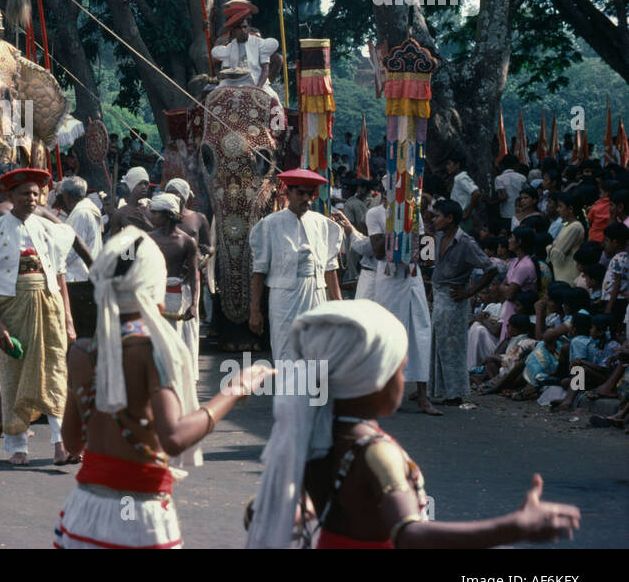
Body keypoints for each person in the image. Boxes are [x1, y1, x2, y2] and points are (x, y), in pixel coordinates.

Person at [246, 300, 581, 548]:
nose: (404, 381)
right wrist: (514, 527)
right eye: (400, 370)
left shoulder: (316, 431)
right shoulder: (376, 452)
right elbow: (410, 535)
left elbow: (268, 507)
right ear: (372, 379)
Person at [57, 229, 274, 548]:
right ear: (154, 288)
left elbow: (72, 441)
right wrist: (235, 390)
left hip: (83, 512)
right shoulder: (150, 350)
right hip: (137, 518)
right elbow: (173, 438)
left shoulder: (82, 352)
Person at [0, 167, 74, 465]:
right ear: (10, 196)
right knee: (13, 372)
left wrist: (68, 318)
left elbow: (60, 276)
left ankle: (60, 444)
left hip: (48, 305)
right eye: (25, 193)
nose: (32, 198)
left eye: (36, 193)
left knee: (54, 371)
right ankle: (17, 446)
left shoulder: (49, 229)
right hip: (11, 308)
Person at [248, 168, 342, 361]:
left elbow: (330, 268)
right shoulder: (271, 224)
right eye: (300, 193)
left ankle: (313, 391)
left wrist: (338, 304)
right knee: (286, 350)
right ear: (287, 192)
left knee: (316, 350)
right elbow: (259, 270)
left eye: (310, 194)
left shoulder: (323, 224)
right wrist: (255, 310)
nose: (306, 199)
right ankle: (289, 391)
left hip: (315, 295)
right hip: (284, 298)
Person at [366, 184, 438, 416]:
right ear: (386, 193)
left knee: (421, 332)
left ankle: (423, 397)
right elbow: (378, 252)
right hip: (388, 281)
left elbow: (427, 255)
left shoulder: (413, 211)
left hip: (412, 278)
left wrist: (418, 231)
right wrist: (394, 226)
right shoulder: (374, 213)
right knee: (388, 336)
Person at [428, 199, 497, 407]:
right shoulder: (439, 238)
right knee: (437, 345)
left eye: (437, 216)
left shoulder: (466, 242)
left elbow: (490, 269)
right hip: (439, 297)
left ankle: (454, 393)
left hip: (453, 299)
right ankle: (441, 390)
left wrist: (468, 292)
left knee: (452, 348)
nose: (434, 219)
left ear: (450, 219)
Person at [147, 193, 201, 366]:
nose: (152, 216)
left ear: (167, 215)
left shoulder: (187, 242)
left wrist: (194, 304)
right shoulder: (145, 238)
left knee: (173, 343)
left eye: (156, 213)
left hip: (174, 298)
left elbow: (194, 276)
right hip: (149, 297)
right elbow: (127, 262)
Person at [210, 0, 282, 100]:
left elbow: (263, 65)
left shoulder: (255, 37)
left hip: (255, 80)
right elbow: (219, 66)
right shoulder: (223, 41)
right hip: (232, 82)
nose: (243, 30)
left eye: (245, 26)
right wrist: (223, 77)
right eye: (238, 27)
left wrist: (258, 88)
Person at [60, 176, 101, 339]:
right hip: (84, 279)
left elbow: (71, 249)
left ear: (68, 196)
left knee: (78, 332)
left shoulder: (81, 214)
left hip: (78, 280)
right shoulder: (88, 210)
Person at [548, 192, 587, 285]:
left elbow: (556, 255)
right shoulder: (567, 225)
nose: (557, 209)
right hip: (562, 272)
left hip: (568, 274)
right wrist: (553, 248)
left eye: (560, 207)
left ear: (570, 209)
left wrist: (551, 248)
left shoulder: (575, 227)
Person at [104, 166, 153, 236]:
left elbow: (160, 237)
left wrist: (145, 221)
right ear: (131, 185)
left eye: (146, 183)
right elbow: (114, 243)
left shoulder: (151, 209)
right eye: (140, 183)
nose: (144, 187)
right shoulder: (120, 213)